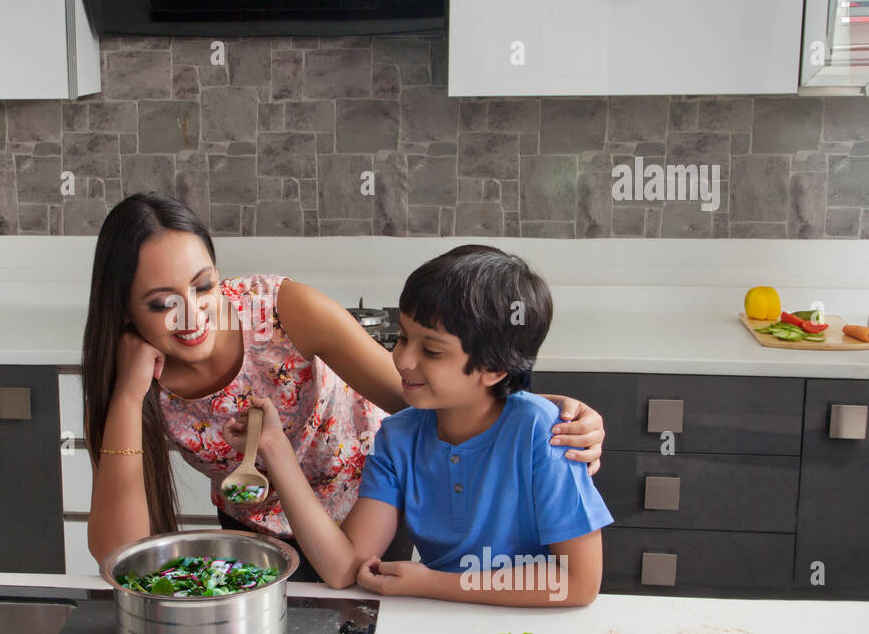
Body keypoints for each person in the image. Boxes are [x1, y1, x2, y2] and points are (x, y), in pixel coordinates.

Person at [83, 193, 607, 581]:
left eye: (204, 286)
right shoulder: (133, 376)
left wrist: (542, 411)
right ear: (123, 308)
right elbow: (118, 555)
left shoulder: (281, 311)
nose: (192, 315)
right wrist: (129, 395)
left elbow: (430, 397)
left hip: (370, 510)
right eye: (160, 303)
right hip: (255, 534)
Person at [225, 245, 613, 604]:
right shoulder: (398, 438)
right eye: (404, 338)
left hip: (538, 627)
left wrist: (432, 582)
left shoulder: (544, 433)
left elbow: (578, 582)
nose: (403, 359)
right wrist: (276, 450)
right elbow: (344, 569)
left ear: (494, 368)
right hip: (441, 626)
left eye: (430, 349)